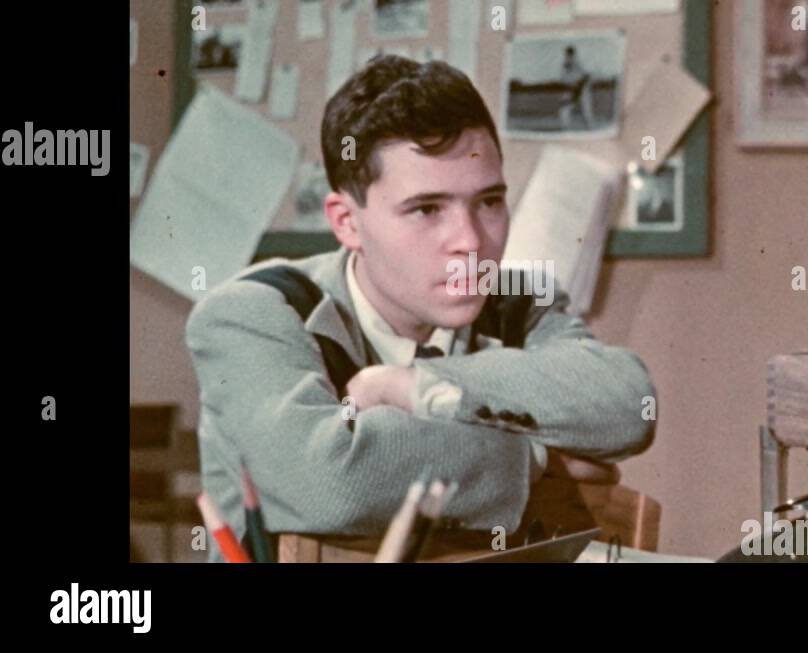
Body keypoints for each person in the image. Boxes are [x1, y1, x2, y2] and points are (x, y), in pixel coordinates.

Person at [186, 56, 657, 562]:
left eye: (489, 202)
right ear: (346, 222)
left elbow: (628, 406)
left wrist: (416, 390)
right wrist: (532, 458)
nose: (470, 241)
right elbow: (331, 481)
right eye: (427, 209)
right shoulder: (254, 312)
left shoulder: (516, 303)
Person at [558, 46, 594, 129]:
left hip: (583, 88)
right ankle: (565, 126)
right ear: (566, 54)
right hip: (571, 88)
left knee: (586, 108)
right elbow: (563, 79)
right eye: (567, 54)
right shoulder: (564, 65)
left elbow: (587, 76)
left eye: (570, 54)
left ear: (574, 54)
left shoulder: (579, 63)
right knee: (565, 107)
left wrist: (580, 86)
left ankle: (590, 126)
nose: (569, 56)